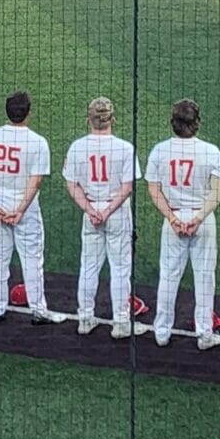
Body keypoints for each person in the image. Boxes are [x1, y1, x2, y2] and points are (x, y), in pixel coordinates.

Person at [145, 99, 220, 349]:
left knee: (168, 276)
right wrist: (198, 218)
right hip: (202, 220)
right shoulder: (211, 151)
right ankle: (204, 334)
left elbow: (154, 189)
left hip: (173, 220)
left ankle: (161, 331)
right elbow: (217, 192)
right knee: (204, 277)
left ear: (173, 124)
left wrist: (172, 218)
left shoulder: (160, 150)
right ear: (197, 123)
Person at [0, 90, 60, 322]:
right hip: (26, 207)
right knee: (32, 258)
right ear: (29, 113)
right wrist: (21, 209)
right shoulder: (38, 142)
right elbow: (37, 181)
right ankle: (38, 309)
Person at [64, 95, 142, 338]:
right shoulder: (125, 148)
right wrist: (107, 211)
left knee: (88, 266)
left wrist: (90, 210)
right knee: (120, 268)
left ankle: (85, 318)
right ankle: (120, 323)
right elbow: (127, 187)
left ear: (89, 120)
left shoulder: (78, 147)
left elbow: (72, 184)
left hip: (91, 212)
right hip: (117, 211)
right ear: (113, 119)